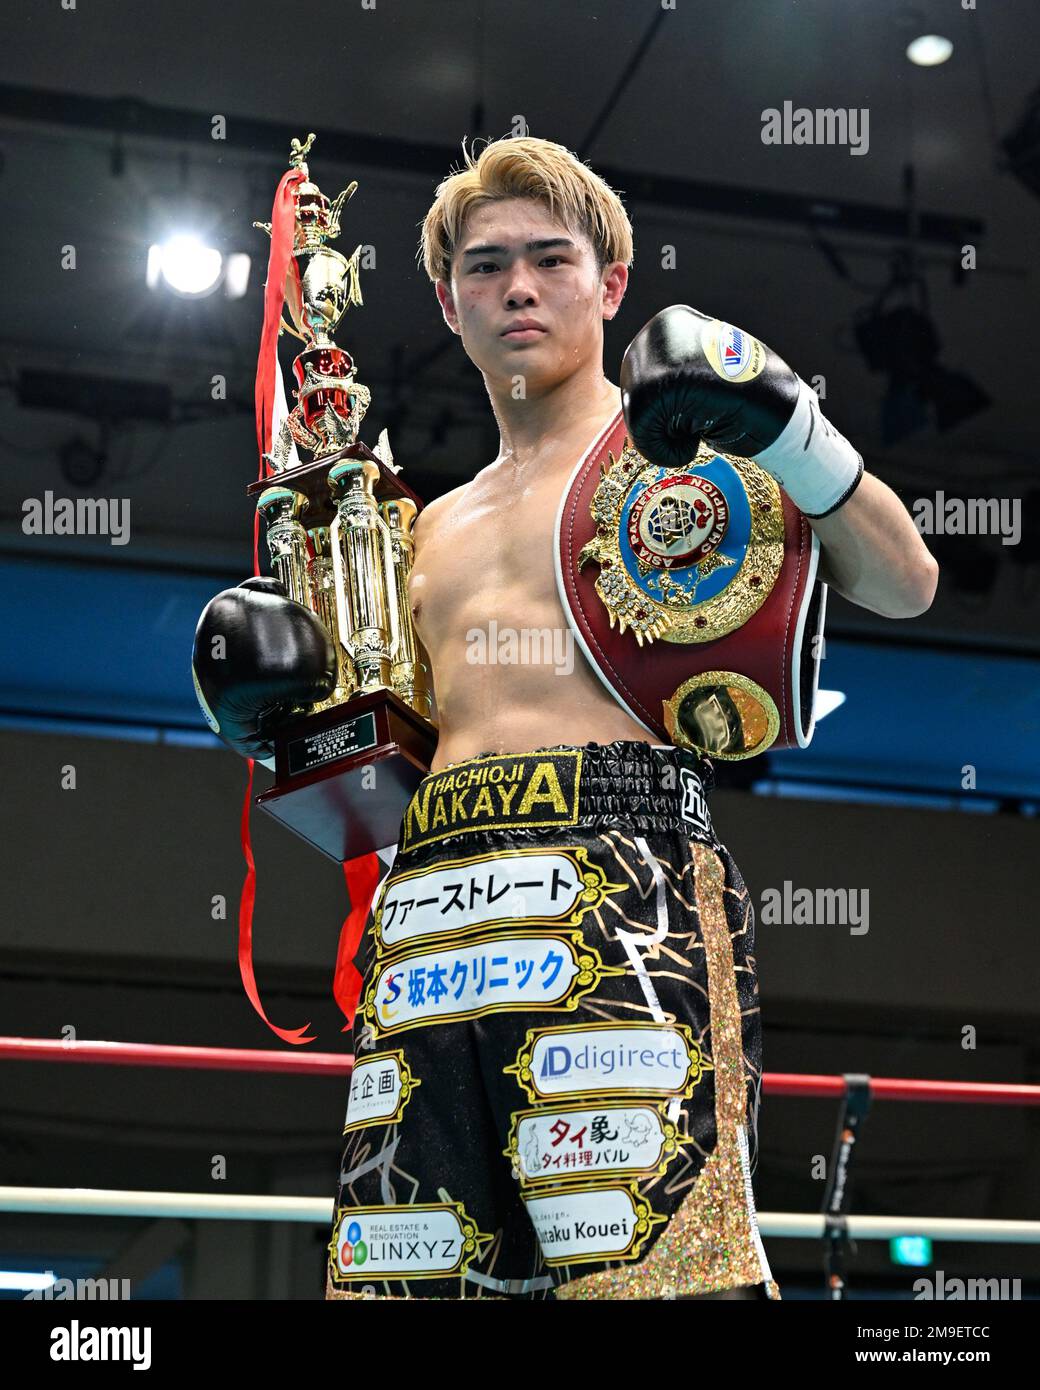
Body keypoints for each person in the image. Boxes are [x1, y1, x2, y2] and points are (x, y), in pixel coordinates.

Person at [193, 135, 938, 1300]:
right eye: (486, 268)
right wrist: (266, 724)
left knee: (651, 1279)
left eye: (549, 258)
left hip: (622, 873)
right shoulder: (415, 534)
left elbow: (905, 581)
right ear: (446, 302)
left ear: (611, 282)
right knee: (411, 1285)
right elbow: (368, 790)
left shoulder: (687, 460)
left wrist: (789, 423)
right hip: (433, 906)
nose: (519, 288)